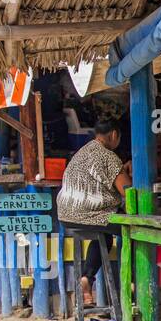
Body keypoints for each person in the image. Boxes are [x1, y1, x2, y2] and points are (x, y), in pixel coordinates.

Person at [56, 118, 132, 306]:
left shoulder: (82, 152)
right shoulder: (108, 156)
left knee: (104, 237)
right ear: (114, 135)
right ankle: (132, 289)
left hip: (66, 215)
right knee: (134, 229)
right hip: (90, 214)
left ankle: (86, 279)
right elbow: (128, 191)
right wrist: (126, 173)